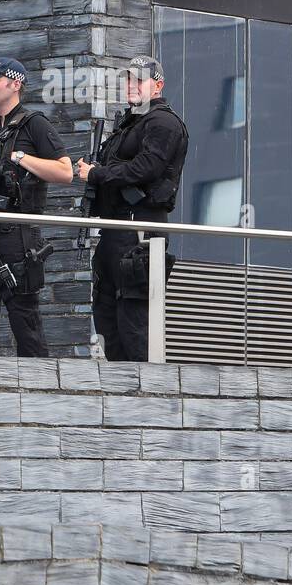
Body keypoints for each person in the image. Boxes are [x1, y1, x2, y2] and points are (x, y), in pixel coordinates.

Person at [0, 56, 73, 356]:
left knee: (25, 320)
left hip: (16, 234)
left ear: (15, 83)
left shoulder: (34, 124)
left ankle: (39, 393)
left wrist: (21, 158)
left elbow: (65, 172)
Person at [76, 56, 189, 362]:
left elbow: (147, 168)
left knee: (135, 325)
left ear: (157, 85)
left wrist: (97, 173)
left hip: (141, 231)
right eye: (128, 79)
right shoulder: (128, 124)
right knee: (107, 317)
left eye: (139, 80)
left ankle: (148, 400)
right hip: (116, 231)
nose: (132, 85)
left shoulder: (163, 122)